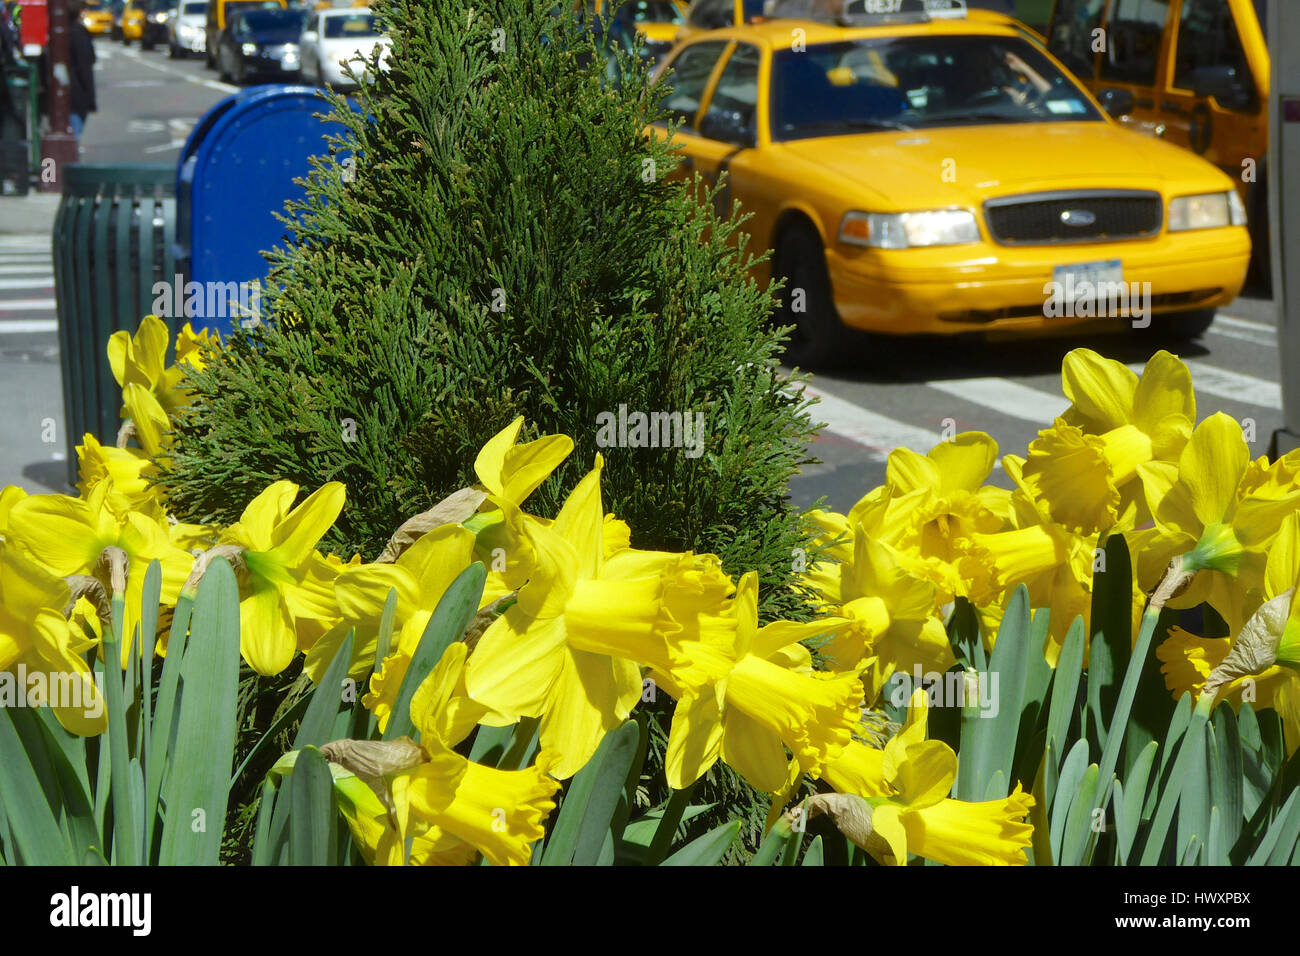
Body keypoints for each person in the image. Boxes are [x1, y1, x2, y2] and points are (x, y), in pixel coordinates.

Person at [68, 0, 96, 140]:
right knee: (74, 137)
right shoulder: (78, 32)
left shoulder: (69, 30)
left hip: (70, 95)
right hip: (76, 96)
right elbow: (84, 65)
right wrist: (90, 98)